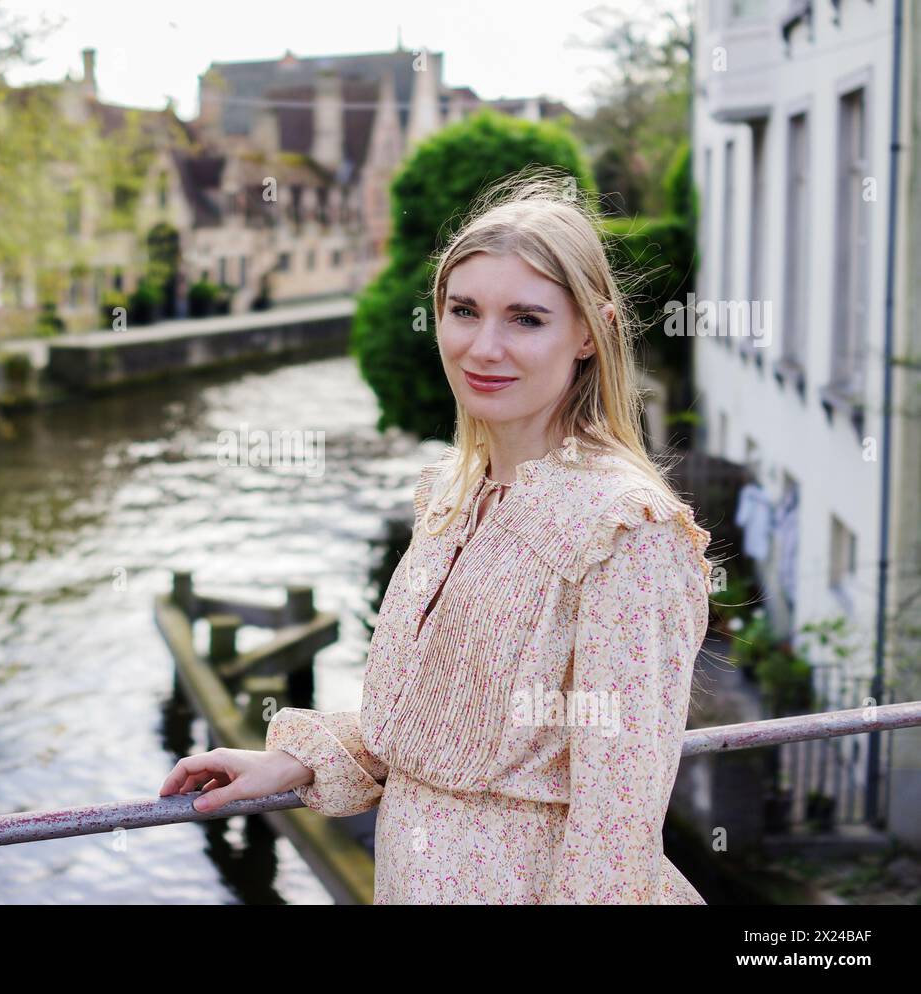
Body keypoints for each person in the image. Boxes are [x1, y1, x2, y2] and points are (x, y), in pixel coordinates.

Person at [158, 167, 713, 904]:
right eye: (463, 310)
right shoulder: (451, 495)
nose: (483, 347)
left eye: (526, 318)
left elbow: (615, 831)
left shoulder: (625, 531)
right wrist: (298, 761)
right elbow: (442, 727)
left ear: (589, 332)